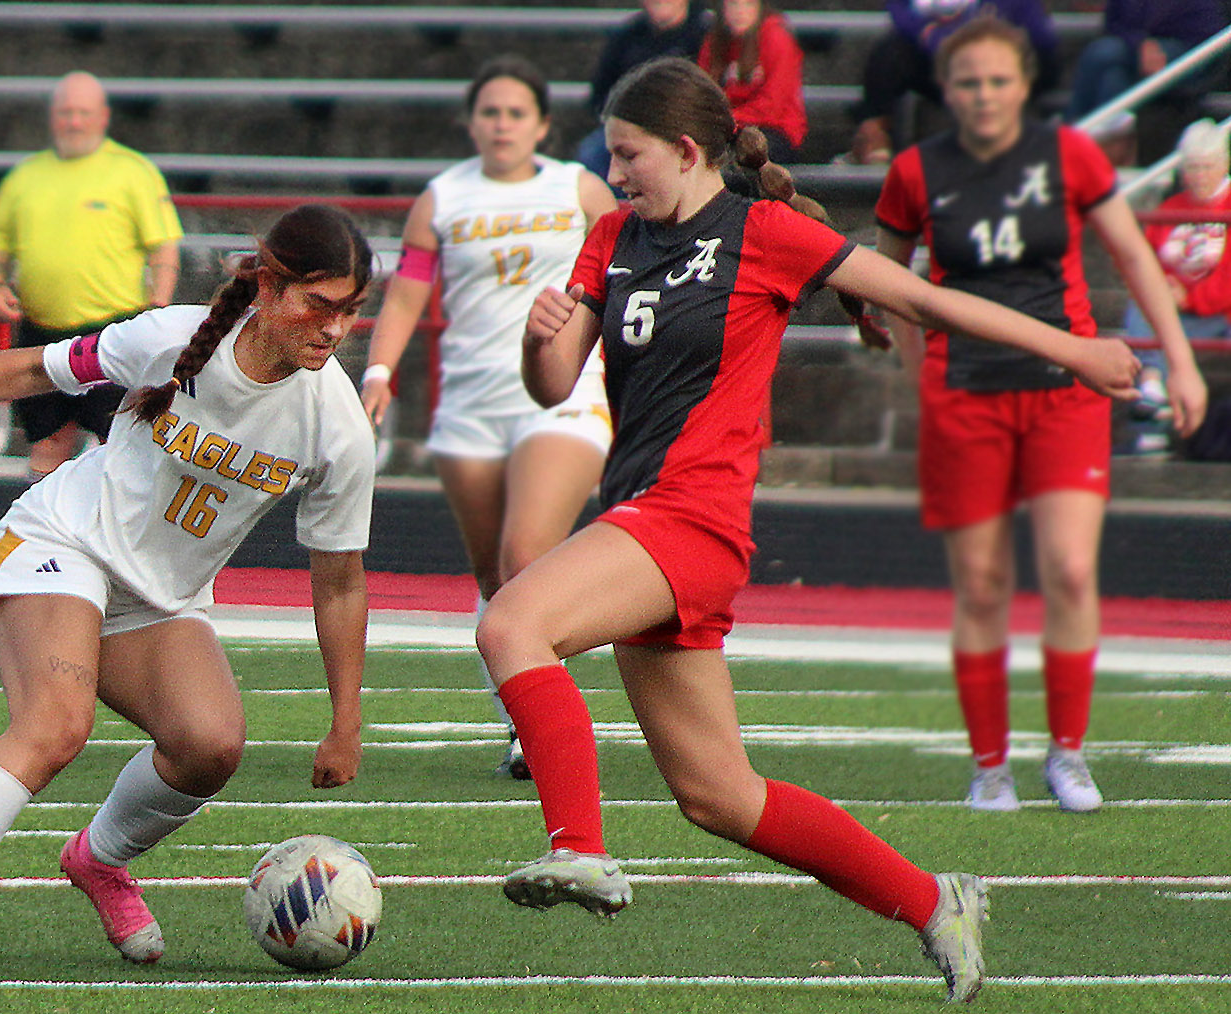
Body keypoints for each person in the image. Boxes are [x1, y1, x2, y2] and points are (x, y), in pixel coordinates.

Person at [473, 55, 1142, 1004]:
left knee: (512, 623)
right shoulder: (613, 236)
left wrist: (1073, 348)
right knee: (720, 798)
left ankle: (579, 847)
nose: (614, 174)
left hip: (692, 518)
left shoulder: (764, 233)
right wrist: (537, 335)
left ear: (687, 150)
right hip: (640, 518)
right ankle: (935, 901)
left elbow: (924, 299)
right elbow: (552, 386)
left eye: (628, 156)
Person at [0, 205, 377, 978]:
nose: (334, 329)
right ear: (266, 286)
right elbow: (35, 369)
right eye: (317, 304)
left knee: (210, 747)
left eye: (350, 311)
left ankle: (99, 859)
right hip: (62, 541)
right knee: (56, 725)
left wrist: (346, 722)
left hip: (159, 598)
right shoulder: (172, 338)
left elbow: (340, 583)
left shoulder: (339, 428)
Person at [874, 18, 1207, 815]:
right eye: (967, 82)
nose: (984, 95)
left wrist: (1182, 360)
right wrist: (922, 378)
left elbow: (1133, 254)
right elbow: (890, 289)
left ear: (1024, 85)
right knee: (983, 584)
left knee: (1069, 569)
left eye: (998, 80)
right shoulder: (916, 170)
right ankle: (990, 767)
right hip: (966, 396)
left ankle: (1068, 752)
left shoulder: (1071, 156)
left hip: (1066, 392)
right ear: (946, 89)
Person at [361, 56, 619, 780]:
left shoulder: (579, 188)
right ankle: (522, 714)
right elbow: (407, 295)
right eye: (490, 112)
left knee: (524, 555)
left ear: (541, 125)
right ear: (470, 122)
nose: (502, 124)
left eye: (516, 113)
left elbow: (629, 271)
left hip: (564, 394)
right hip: (470, 409)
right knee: (494, 579)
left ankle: (542, 731)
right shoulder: (442, 198)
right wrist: (378, 374)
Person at [0, 70, 183, 481]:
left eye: (83, 112)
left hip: (110, 333)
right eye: (66, 112)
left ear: (102, 116)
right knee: (48, 442)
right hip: (41, 330)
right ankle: (42, 521)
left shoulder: (133, 172)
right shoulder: (26, 175)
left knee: (119, 442)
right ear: (53, 116)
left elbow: (164, 244)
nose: (74, 122)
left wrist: (159, 303)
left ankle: (113, 522)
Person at [1121, 118, 1231, 452]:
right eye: (1192, 167)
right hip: (1175, 311)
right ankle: (1153, 387)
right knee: (1143, 300)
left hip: (1220, 314)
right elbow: (1145, 260)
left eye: (1206, 167)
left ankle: (1155, 407)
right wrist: (1162, 286)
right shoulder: (1171, 207)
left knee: (1159, 317)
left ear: (1224, 164)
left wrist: (1188, 298)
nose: (1199, 175)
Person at [843, 0, 1058, 166]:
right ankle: (876, 134)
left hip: (1003, 57)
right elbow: (899, 9)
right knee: (890, 54)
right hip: (941, 59)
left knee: (997, 67)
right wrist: (931, 35)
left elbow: (1040, 39)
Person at [575, 0, 710, 184]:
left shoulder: (707, 34)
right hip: (628, 125)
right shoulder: (626, 36)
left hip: (685, 127)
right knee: (592, 152)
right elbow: (601, 94)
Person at [1065, 0, 1226, 125]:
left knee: (1102, 51)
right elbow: (1113, 24)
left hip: (1187, 60)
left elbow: (1206, 36)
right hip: (1130, 59)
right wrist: (1139, 45)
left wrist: (1158, 50)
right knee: (1112, 78)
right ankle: (1094, 145)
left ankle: (1070, 135)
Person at [696, 0, 806, 164]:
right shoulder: (714, 41)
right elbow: (702, 91)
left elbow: (773, 104)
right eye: (733, 4)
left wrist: (728, 119)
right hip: (727, 127)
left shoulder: (777, 38)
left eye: (748, 4)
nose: (740, 11)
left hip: (773, 129)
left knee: (739, 156)